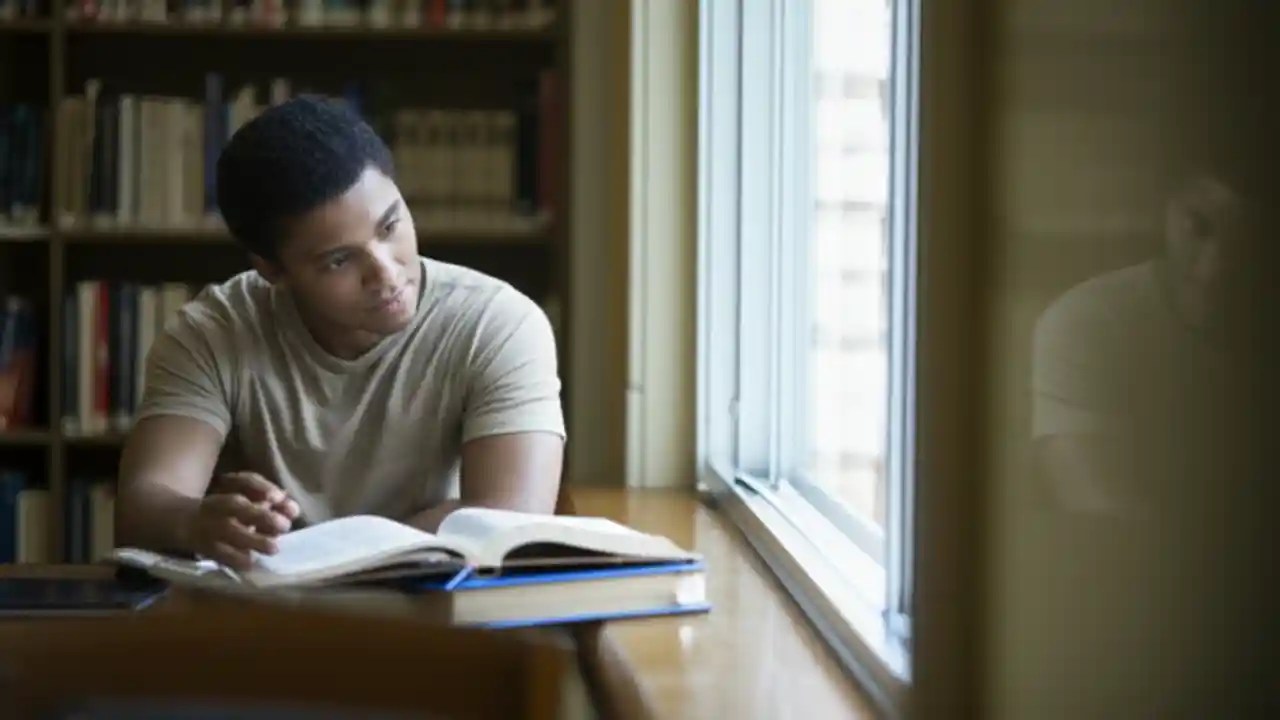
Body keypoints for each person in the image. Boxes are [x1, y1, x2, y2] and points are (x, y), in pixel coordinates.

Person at [115, 96, 566, 570]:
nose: (386, 274)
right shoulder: (214, 334)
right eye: (339, 260)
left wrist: (324, 554)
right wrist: (194, 522)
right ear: (272, 269)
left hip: (434, 611)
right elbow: (142, 507)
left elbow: (511, 524)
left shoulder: (498, 324)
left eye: (390, 225)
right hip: (269, 620)